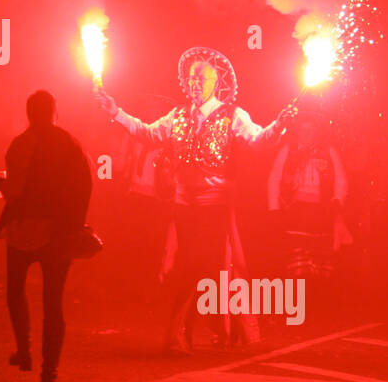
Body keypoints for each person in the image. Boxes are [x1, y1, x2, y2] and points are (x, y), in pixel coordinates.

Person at [98, 47, 295, 354]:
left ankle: (190, 330)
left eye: (202, 77)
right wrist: (115, 112)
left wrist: (279, 123)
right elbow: (148, 135)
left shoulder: (233, 116)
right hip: (183, 207)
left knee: (201, 266)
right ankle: (188, 333)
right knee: (191, 267)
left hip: (215, 206)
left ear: (216, 83)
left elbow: (258, 142)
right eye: (192, 77)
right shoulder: (177, 116)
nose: (196, 82)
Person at [0, 90, 91, 382]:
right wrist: (74, 225)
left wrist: (1, 186)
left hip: (24, 229)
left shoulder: (21, 144)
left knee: (15, 290)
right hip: (59, 233)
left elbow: (16, 190)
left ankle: (24, 349)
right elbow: (84, 185)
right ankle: (50, 376)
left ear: (29, 113)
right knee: (53, 303)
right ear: (54, 111)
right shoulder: (71, 144)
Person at [267, 116, 348, 282]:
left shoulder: (327, 151)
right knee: (298, 263)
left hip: (321, 213)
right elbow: (274, 179)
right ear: (297, 132)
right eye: (303, 131)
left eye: (310, 131)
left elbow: (341, 179)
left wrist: (338, 200)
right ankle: (299, 295)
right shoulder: (288, 151)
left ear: (316, 133)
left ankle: (318, 294)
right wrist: (273, 208)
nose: (306, 135)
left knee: (320, 262)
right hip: (295, 213)